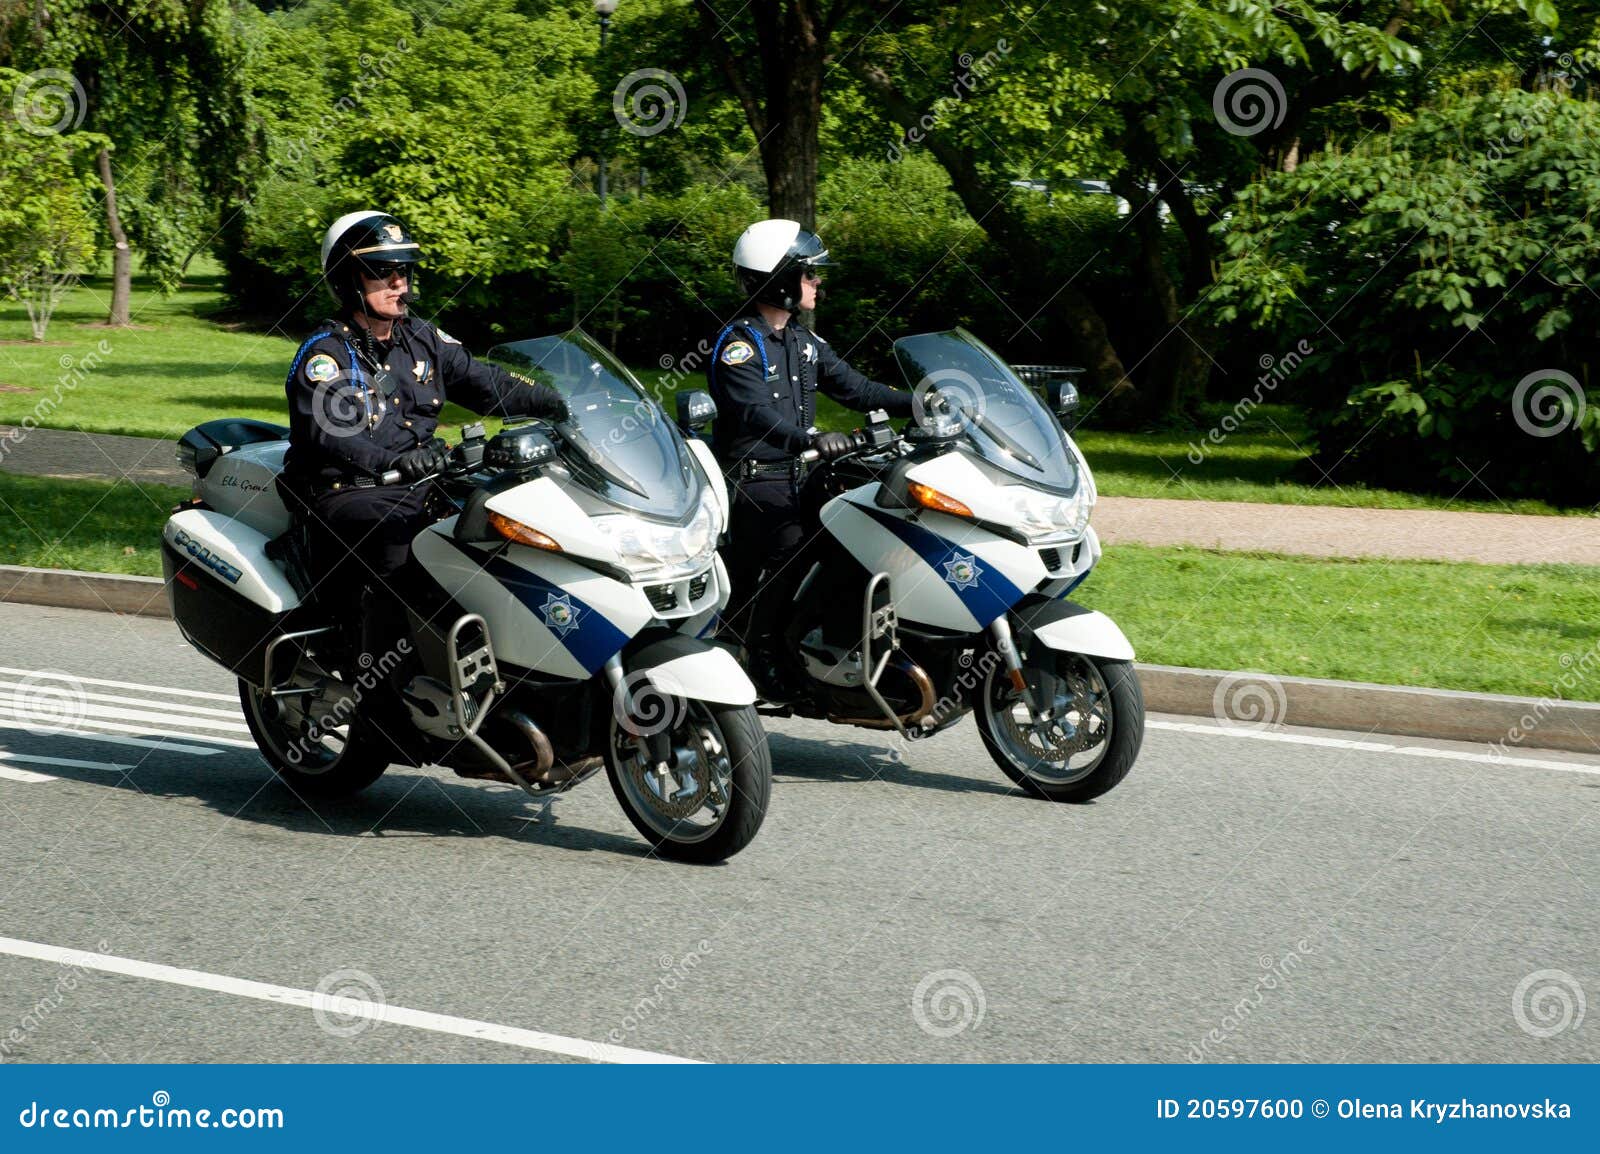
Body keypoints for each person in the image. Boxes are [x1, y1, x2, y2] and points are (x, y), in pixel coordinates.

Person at [282, 210, 567, 711]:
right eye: (382, 272)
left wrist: (560, 403)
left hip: (422, 483)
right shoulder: (326, 355)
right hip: (350, 491)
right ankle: (380, 704)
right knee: (402, 549)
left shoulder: (421, 338)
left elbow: (487, 382)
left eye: (404, 270)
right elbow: (333, 436)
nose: (399, 282)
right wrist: (396, 461)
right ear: (348, 280)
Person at [707, 218, 914, 693]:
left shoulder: (803, 341)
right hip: (753, 481)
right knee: (795, 543)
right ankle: (757, 650)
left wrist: (925, 401)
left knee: (868, 525)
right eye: (808, 274)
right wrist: (808, 440)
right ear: (779, 279)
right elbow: (755, 413)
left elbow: (860, 390)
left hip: (802, 476)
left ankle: (841, 641)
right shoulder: (739, 345)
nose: (817, 282)